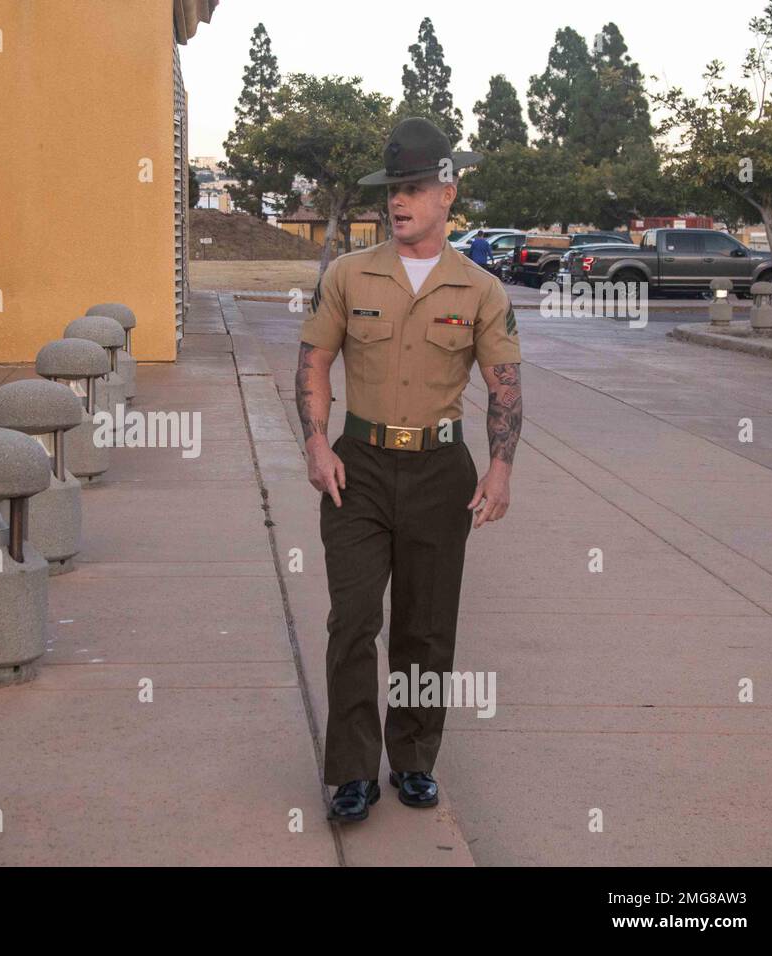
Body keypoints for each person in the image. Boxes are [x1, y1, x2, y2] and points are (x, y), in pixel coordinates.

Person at [295, 117, 523, 824]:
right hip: (357, 468)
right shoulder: (347, 275)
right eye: (395, 187)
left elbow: (505, 384)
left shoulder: (480, 289)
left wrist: (500, 469)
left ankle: (414, 759)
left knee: (425, 629)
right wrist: (315, 443)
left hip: (439, 471)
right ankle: (354, 771)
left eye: (417, 187)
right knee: (353, 622)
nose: (400, 200)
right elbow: (313, 361)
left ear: (448, 193)